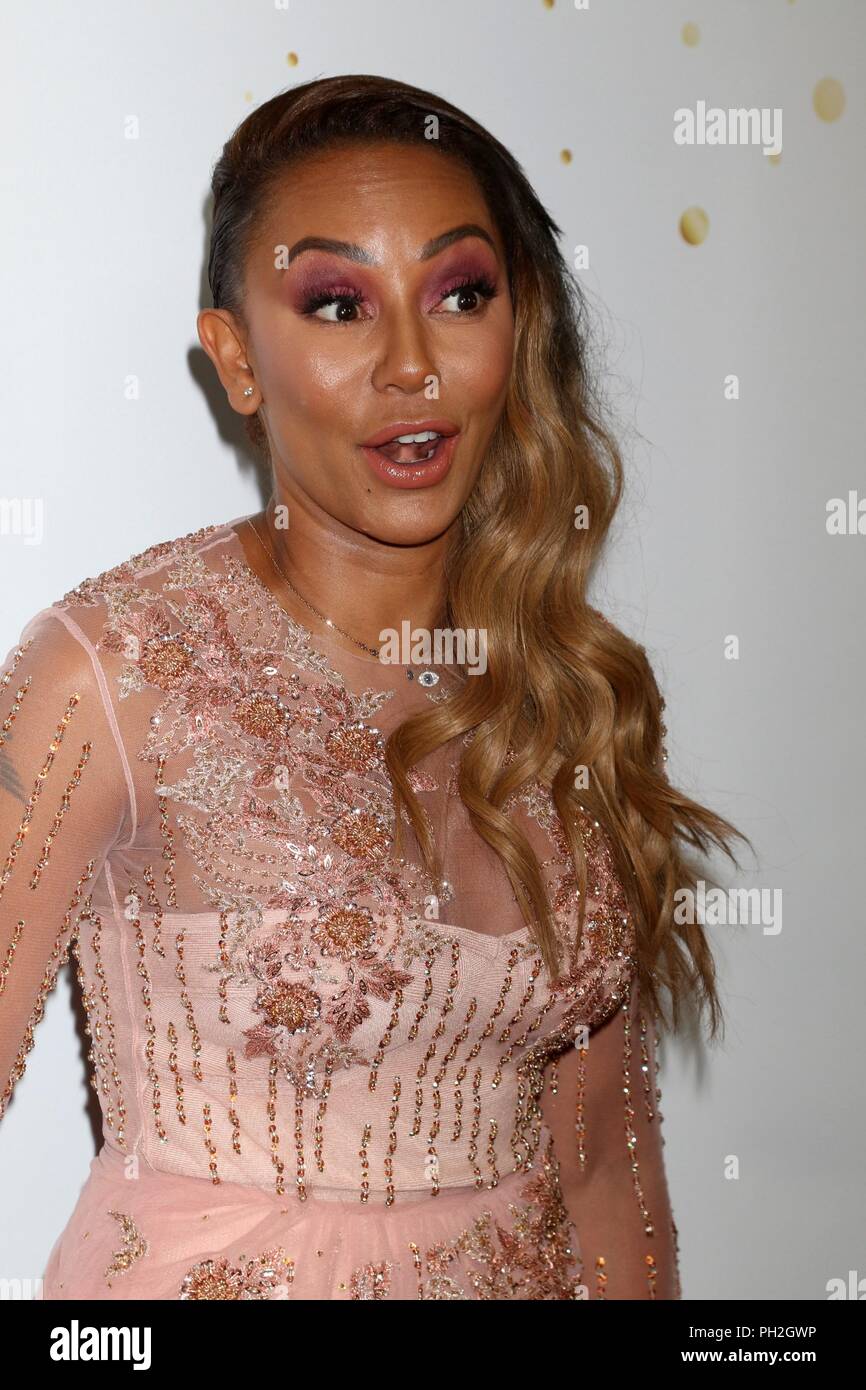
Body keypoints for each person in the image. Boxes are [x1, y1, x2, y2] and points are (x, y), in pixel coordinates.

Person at [0, 74, 742, 1300]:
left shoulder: (578, 686)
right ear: (236, 359)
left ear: (521, 325)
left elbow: (603, 1159)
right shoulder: (111, 671)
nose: (411, 365)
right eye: (338, 305)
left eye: (459, 294)